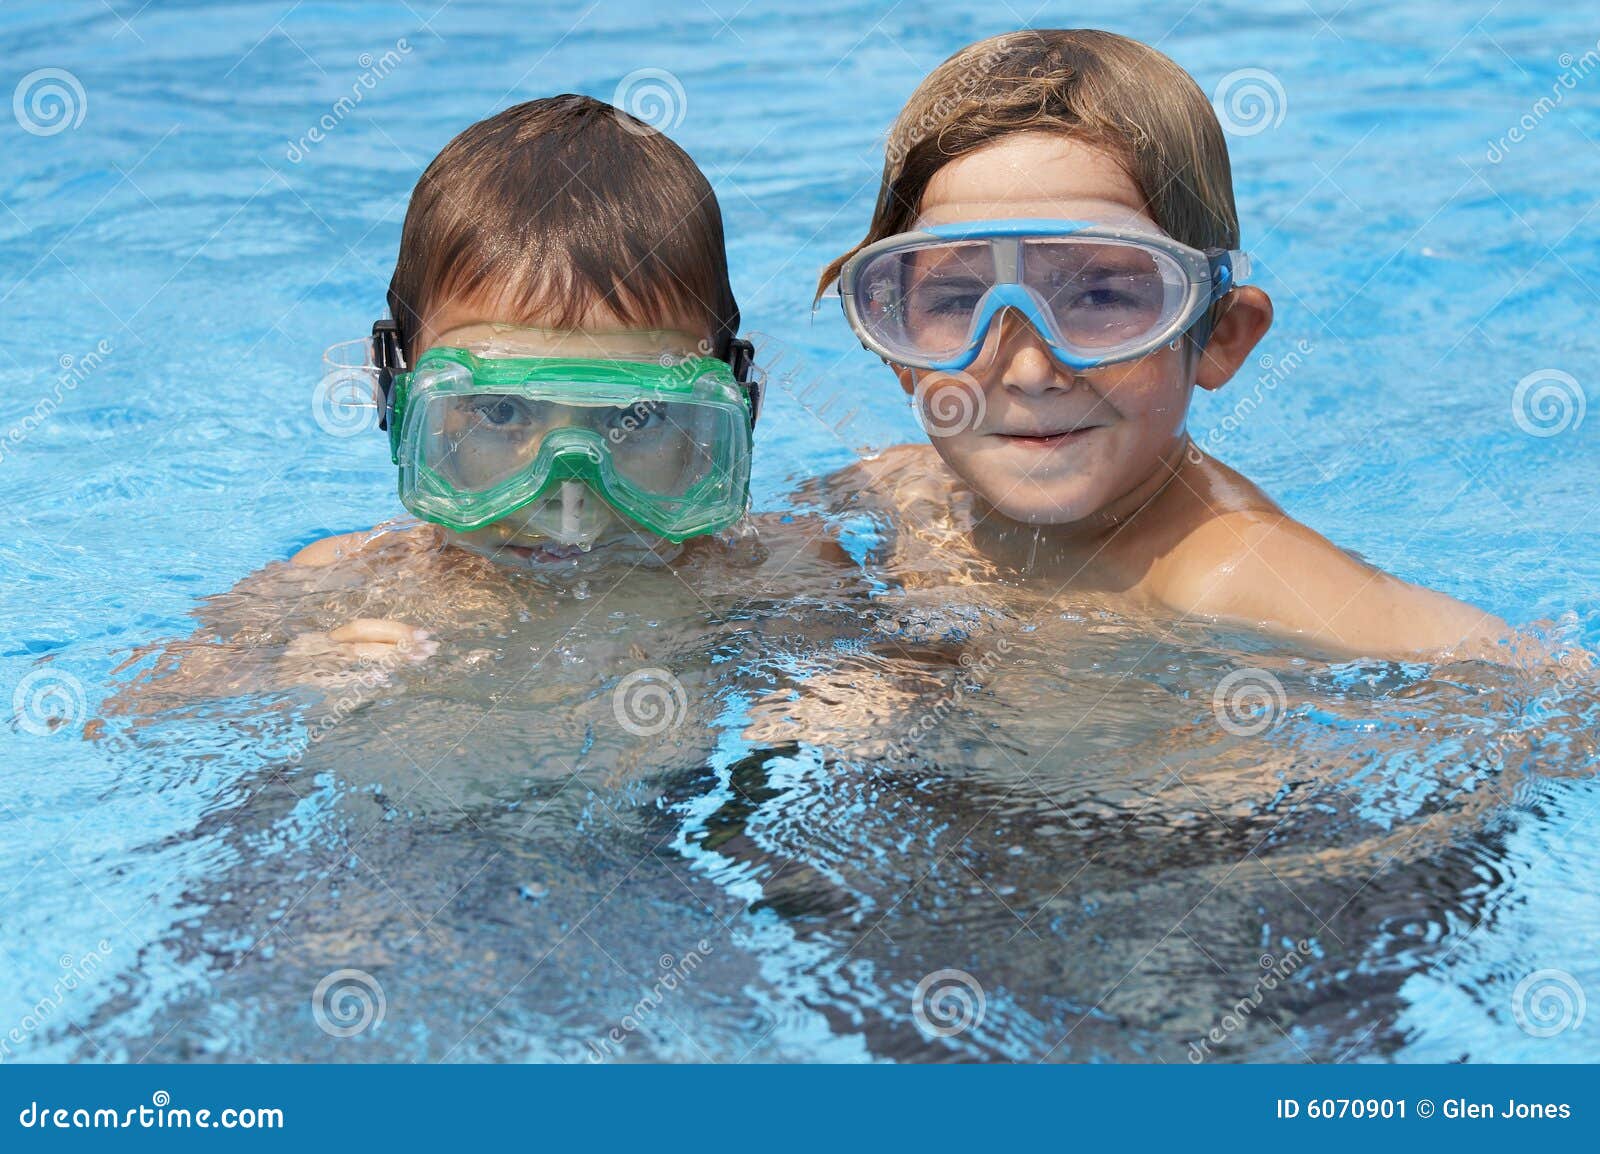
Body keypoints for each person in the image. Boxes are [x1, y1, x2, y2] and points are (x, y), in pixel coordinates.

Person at [819, 29, 1513, 660]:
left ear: (1220, 339)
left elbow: (1534, 683)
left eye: (1100, 298)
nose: (1029, 370)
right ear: (897, 348)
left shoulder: (1232, 575)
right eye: (959, 301)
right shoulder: (905, 489)